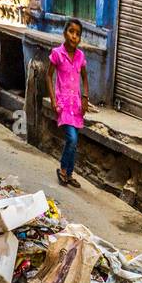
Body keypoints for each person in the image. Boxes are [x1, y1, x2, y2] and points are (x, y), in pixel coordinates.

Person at [46, 18, 90, 187]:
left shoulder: (80, 56)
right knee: (71, 138)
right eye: (71, 32)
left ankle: (69, 174)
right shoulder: (57, 54)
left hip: (77, 106)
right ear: (65, 33)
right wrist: (53, 99)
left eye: (78, 34)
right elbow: (48, 76)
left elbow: (85, 78)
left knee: (74, 141)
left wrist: (85, 98)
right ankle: (63, 170)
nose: (74, 36)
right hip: (63, 105)